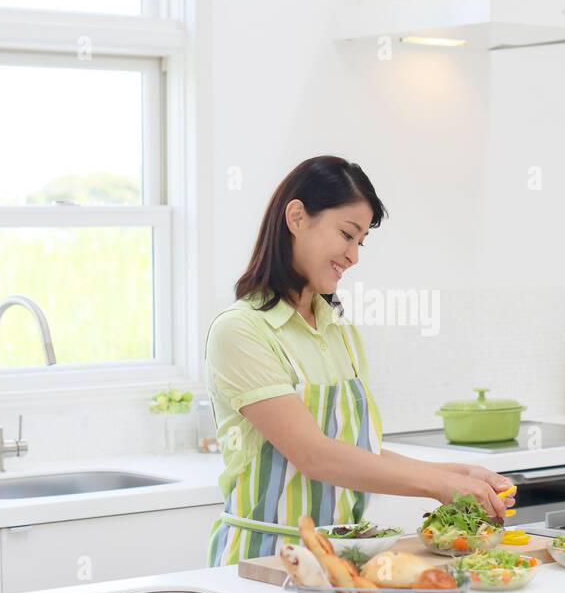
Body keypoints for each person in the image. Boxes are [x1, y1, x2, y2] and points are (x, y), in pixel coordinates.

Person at [203, 155, 513, 565]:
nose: (354, 256)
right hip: (266, 562)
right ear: (296, 217)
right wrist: (438, 486)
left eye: (360, 241)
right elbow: (314, 456)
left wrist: (457, 474)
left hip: (344, 561)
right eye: (347, 235)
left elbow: (355, 450)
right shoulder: (242, 330)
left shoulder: (338, 331)